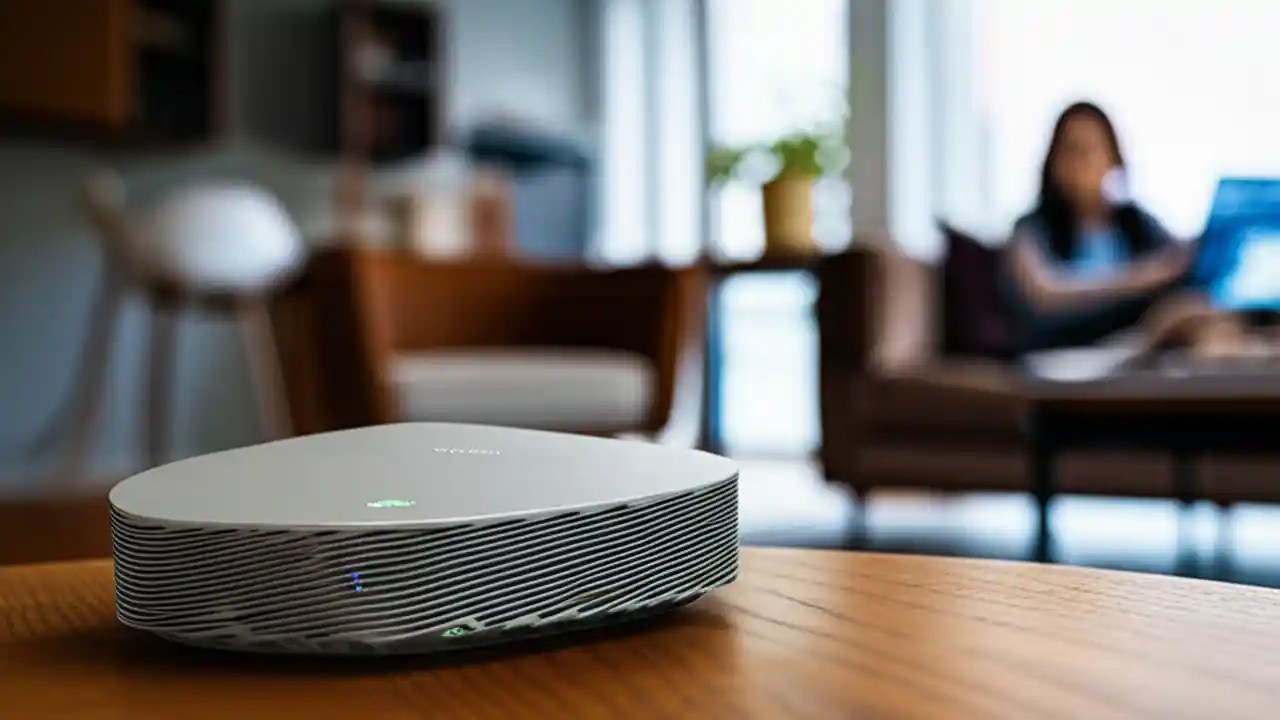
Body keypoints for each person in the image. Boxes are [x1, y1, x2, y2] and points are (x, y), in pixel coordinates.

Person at [1005, 101, 1206, 352]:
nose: (1080, 164)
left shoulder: (1136, 223)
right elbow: (1043, 297)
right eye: (1071, 151)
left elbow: (1178, 262)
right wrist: (1146, 276)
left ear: (1114, 158)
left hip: (1138, 352)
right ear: (1052, 161)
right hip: (1062, 350)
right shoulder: (1030, 229)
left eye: (1091, 151)